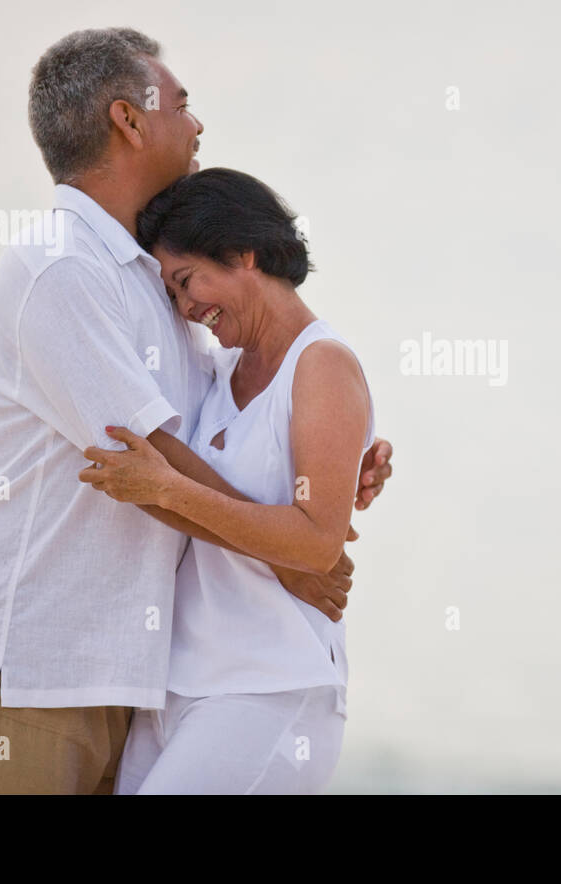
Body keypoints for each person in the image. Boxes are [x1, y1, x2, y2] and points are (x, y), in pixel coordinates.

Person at [0, 28, 393, 794]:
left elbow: (234, 433)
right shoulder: (64, 268)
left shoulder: (150, 282)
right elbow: (147, 450)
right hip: (30, 668)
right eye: (181, 104)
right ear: (128, 121)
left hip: (132, 679)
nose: (196, 124)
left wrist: (333, 462)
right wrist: (296, 555)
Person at [79, 167, 373, 793]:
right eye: (174, 294)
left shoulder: (321, 364)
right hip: (180, 686)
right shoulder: (220, 369)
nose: (187, 307)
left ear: (243, 252)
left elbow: (318, 542)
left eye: (187, 281)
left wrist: (165, 487)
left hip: (271, 688)